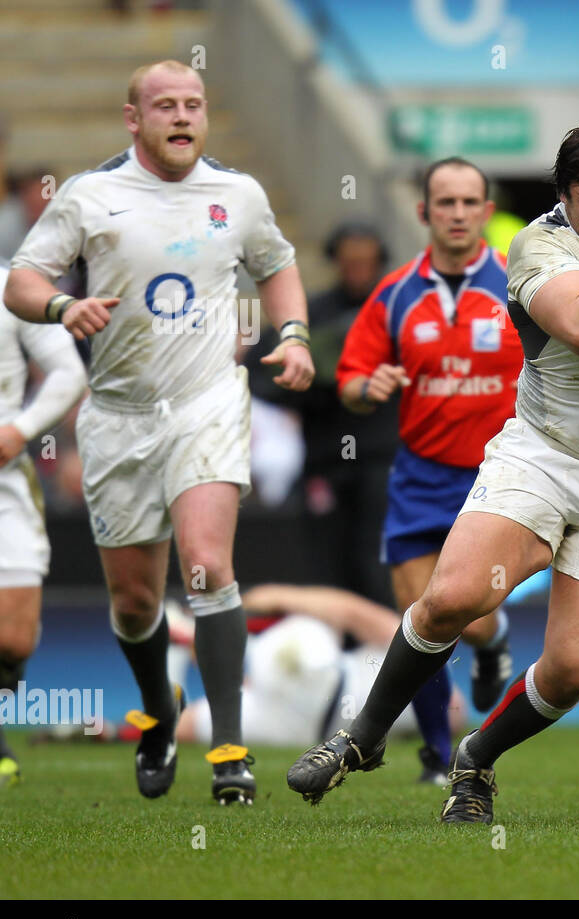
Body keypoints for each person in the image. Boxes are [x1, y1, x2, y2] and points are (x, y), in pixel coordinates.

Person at [286, 115, 579, 824]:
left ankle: (475, 759)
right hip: (545, 455)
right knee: (452, 596)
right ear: (563, 193)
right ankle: (362, 737)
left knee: (571, 671)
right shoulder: (537, 245)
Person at [3, 60, 314, 805]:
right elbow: (22, 279)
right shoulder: (90, 195)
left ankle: (229, 753)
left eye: (194, 104)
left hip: (207, 404)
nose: (182, 116)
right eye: (165, 105)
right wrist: (59, 310)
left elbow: (277, 265)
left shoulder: (237, 194)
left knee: (207, 565)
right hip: (118, 417)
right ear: (132, 119)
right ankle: (158, 709)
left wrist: (295, 334)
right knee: (138, 603)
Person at [335, 157, 523, 781]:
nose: (459, 214)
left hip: (494, 478)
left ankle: (492, 642)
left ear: (487, 212)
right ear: (424, 213)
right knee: (419, 617)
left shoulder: (521, 286)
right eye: (446, 203)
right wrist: (371, 387)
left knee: (469, 617)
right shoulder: (392, 296)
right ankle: (439, 757)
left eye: (471, 202)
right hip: (418, 476)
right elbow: (351, 384)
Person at [244, 219, 395, 604]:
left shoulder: (397, 311)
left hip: (385, 461)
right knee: (326, 563)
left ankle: (381, 652)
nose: (359, 269)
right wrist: (311, 383)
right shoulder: (313, 315)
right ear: (335, 262)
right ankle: (334, 650)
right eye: (350, 261)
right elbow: (261, 370)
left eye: (367, 261)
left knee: (377, 562)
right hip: (325, 460)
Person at [172, 585, 468, 750]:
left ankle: (188, 633)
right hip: (305, 705)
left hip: (302, 720)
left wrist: (277, 597)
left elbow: (350, 612)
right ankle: (188, 634)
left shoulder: (426, 688)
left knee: (182, 721)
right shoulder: (392, 658)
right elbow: (352, 613)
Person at [0, 264, 88, 786]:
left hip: (6, 479)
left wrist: (21, 430)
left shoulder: (13, 287)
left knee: (13, 639)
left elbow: (69, 373)